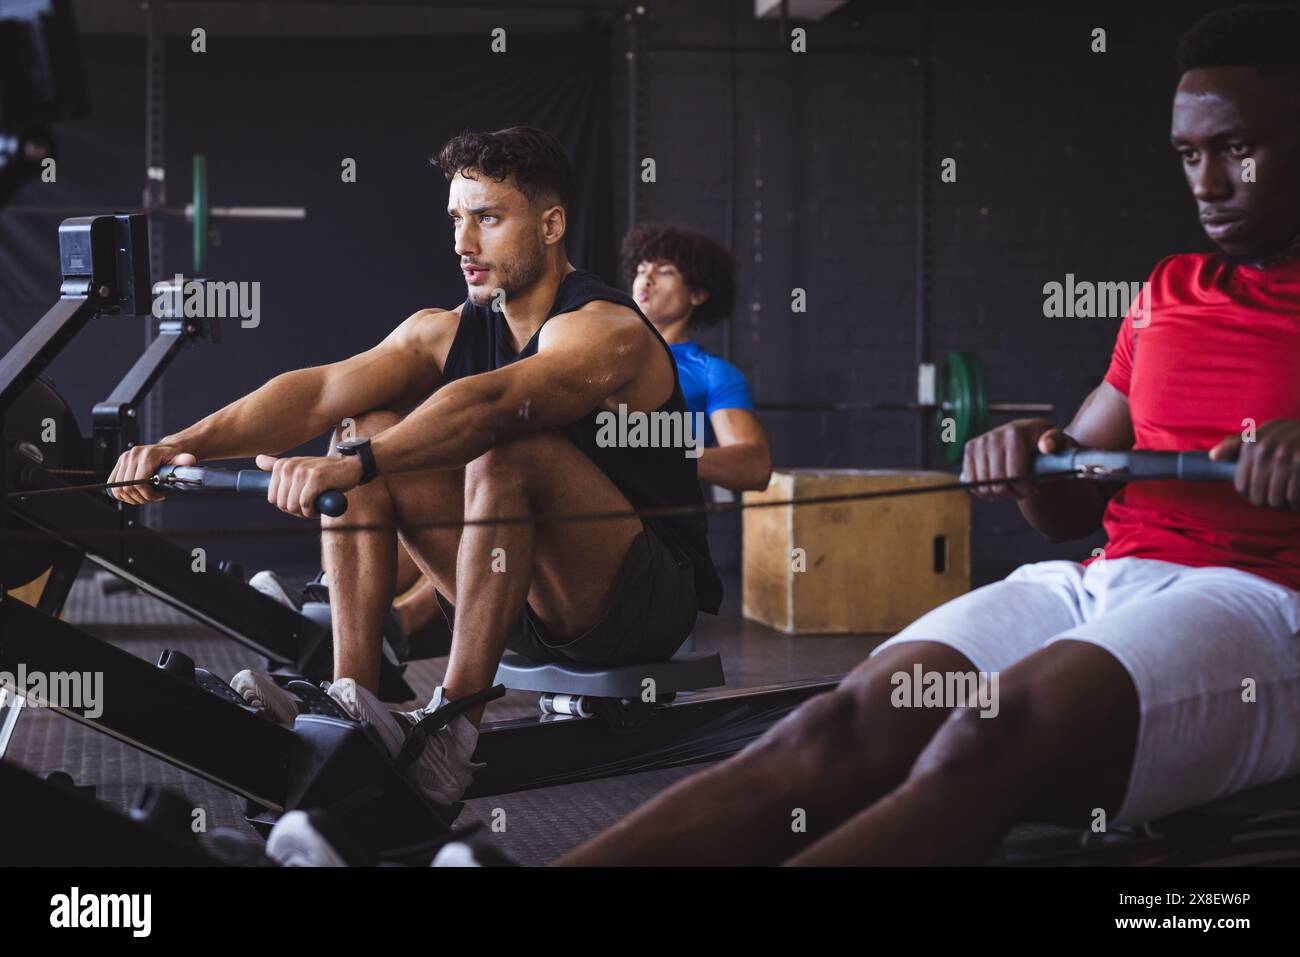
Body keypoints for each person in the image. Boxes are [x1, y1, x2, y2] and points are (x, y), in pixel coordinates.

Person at [554, 2, 1300, 866]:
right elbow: (1067, 502)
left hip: (1264, 602)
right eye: (1190, 154)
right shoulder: (1168, 290)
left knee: (989, 734)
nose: (1208, 183)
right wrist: (1029, 455)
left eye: (1237, 149)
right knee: (835, 726)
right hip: (1105, 578)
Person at [107, 126, 722, 810]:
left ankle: (452, 731)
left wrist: (359, 466)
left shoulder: (604, 328)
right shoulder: (447, 328)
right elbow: (317, 391)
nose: (463, 243)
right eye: (456, 219)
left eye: (488, 219)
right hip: (518, 599)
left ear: (551, 225)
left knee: (503, 450)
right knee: (362, 422)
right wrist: (176, 445)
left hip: (638, 606)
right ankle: (349, 701)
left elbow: (496, 405)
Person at [622, 223, 772, 492]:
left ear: (697, 294)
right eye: (642, 270)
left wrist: (668, 454)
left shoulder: (712, 373)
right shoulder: (601, 352)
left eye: (665, 271)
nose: (646, 278)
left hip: (653, 511)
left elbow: (755, 466)